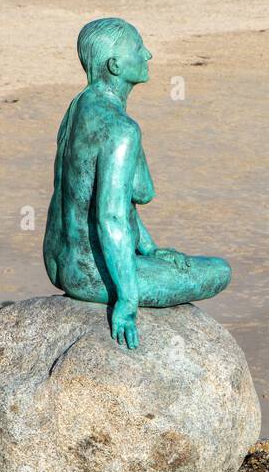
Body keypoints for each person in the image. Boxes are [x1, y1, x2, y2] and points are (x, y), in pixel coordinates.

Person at [43, 18, 232, 349]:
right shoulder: (121, 130)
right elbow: (111, 216)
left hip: (58, 261)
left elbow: (119, 196)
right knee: (218, 272)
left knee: (171, 261)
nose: (148, 54)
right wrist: (127, 304)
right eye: (138, 48)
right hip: (87, 272)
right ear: (115, 65)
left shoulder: (79, 106)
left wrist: (150, 248)